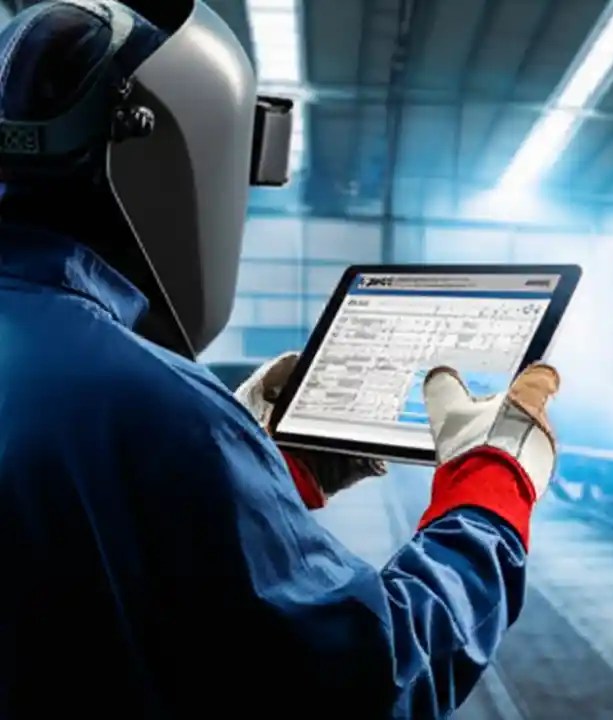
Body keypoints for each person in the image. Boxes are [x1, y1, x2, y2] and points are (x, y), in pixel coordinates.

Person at [0, 2, 558, 717]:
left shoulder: (122, 399)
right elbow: (375, 679)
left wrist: (261, 470)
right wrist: (493, 484)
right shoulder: (151, 406)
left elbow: (72, 560)